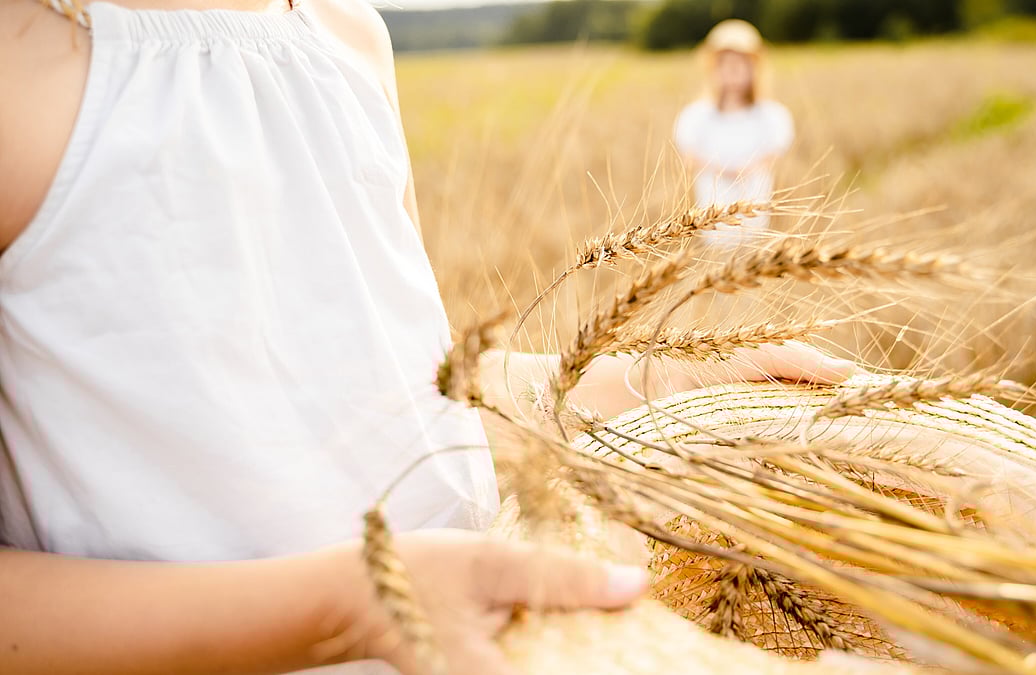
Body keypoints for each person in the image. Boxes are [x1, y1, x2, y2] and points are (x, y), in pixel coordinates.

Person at [0, 0, 858, 673]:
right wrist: (353, 606)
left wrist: (657, 386)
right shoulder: (20, 73)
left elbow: (416, 394)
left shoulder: (347, 38)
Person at [674, 19, 795, 247]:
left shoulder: (772, 115)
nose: (733, 69)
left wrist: (747, 169)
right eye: (725, 63)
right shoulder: (695, 115)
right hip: (711, 216)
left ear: (755, 68)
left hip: (754, 217)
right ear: (713, 68)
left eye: (742, 63)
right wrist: (721, 170)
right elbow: (688, 154)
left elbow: (775, 152)